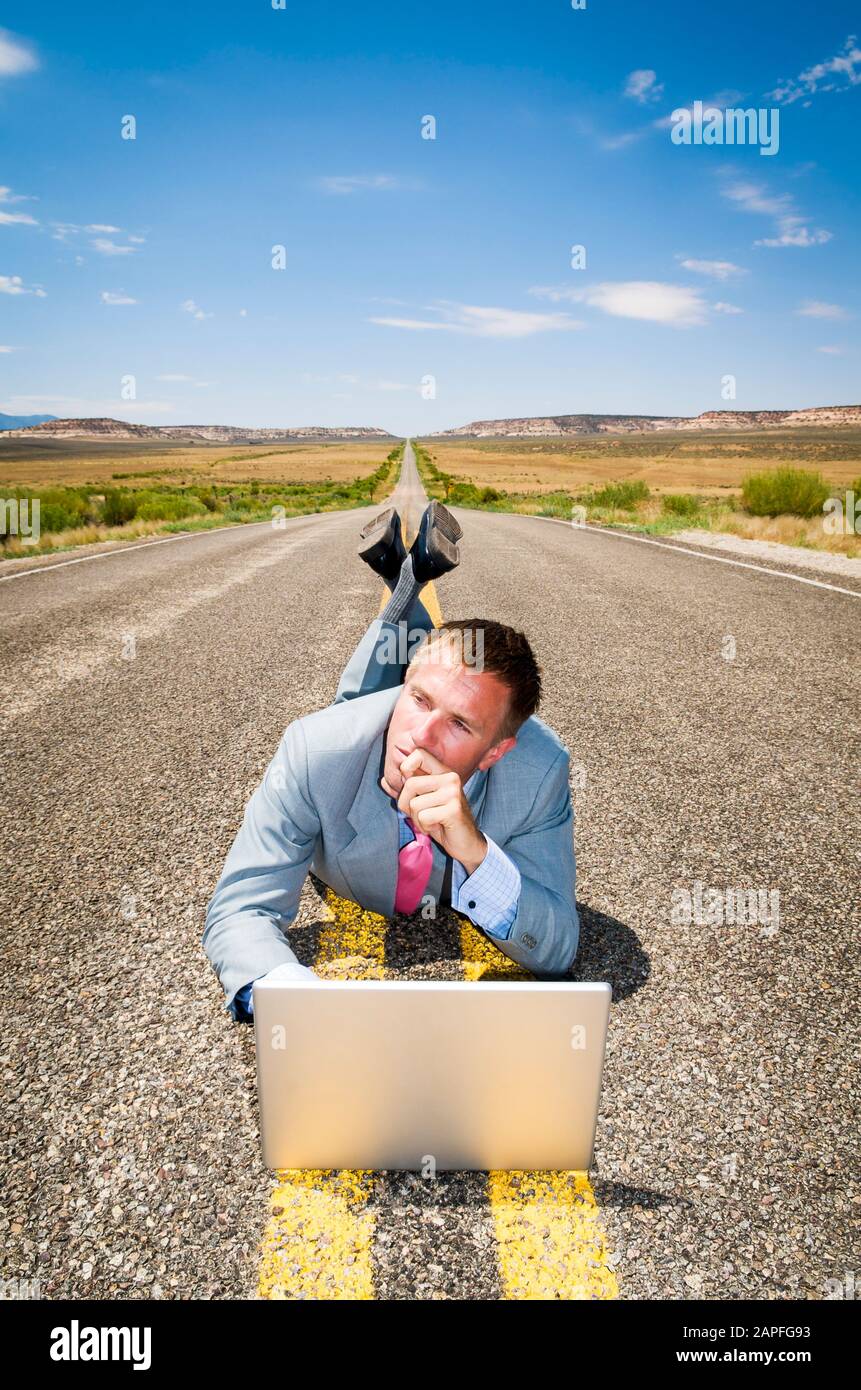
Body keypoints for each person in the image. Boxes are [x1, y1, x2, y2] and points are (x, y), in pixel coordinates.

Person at [203, 501, 579, 1021]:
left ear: (496, 752)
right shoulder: (318, 751)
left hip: (414, 727)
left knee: (390, 696)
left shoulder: (539, 773)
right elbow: (241, 909)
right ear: (407, 688)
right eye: (420, 700)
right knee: (357, 700)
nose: (419, 738)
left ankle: (404, 573)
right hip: (357, 727)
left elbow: (558, 947)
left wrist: (476, 854)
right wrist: (291, 999)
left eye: (460, 724)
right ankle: (406, 580)